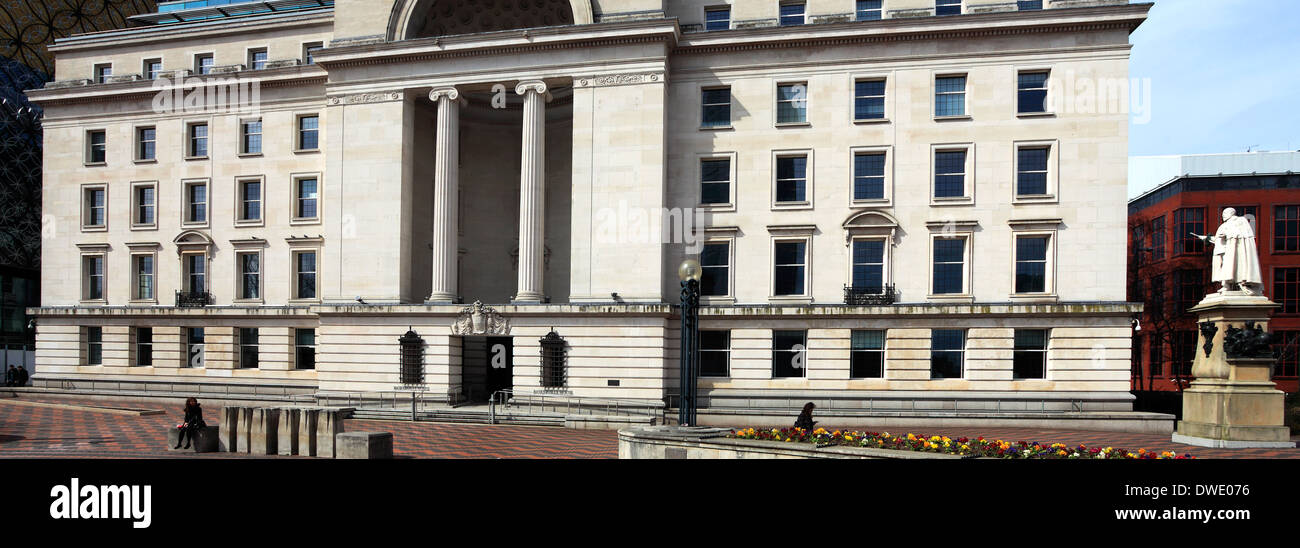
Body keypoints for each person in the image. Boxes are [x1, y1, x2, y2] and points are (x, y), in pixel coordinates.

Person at [1195, 208, 1263, 294]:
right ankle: (1226, 285)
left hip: (1237, 249)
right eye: (1222, 213)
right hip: (1226, 250)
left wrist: (1227, 233)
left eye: (1225, 213)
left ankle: (1233, 285)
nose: (1223, 215)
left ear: (1231, 213)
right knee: (1227, 268)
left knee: (1234, 266)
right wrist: (1207, 238)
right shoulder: (1224, 225)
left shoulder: (1240, 221)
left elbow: (1239, 234)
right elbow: (1218, 240)